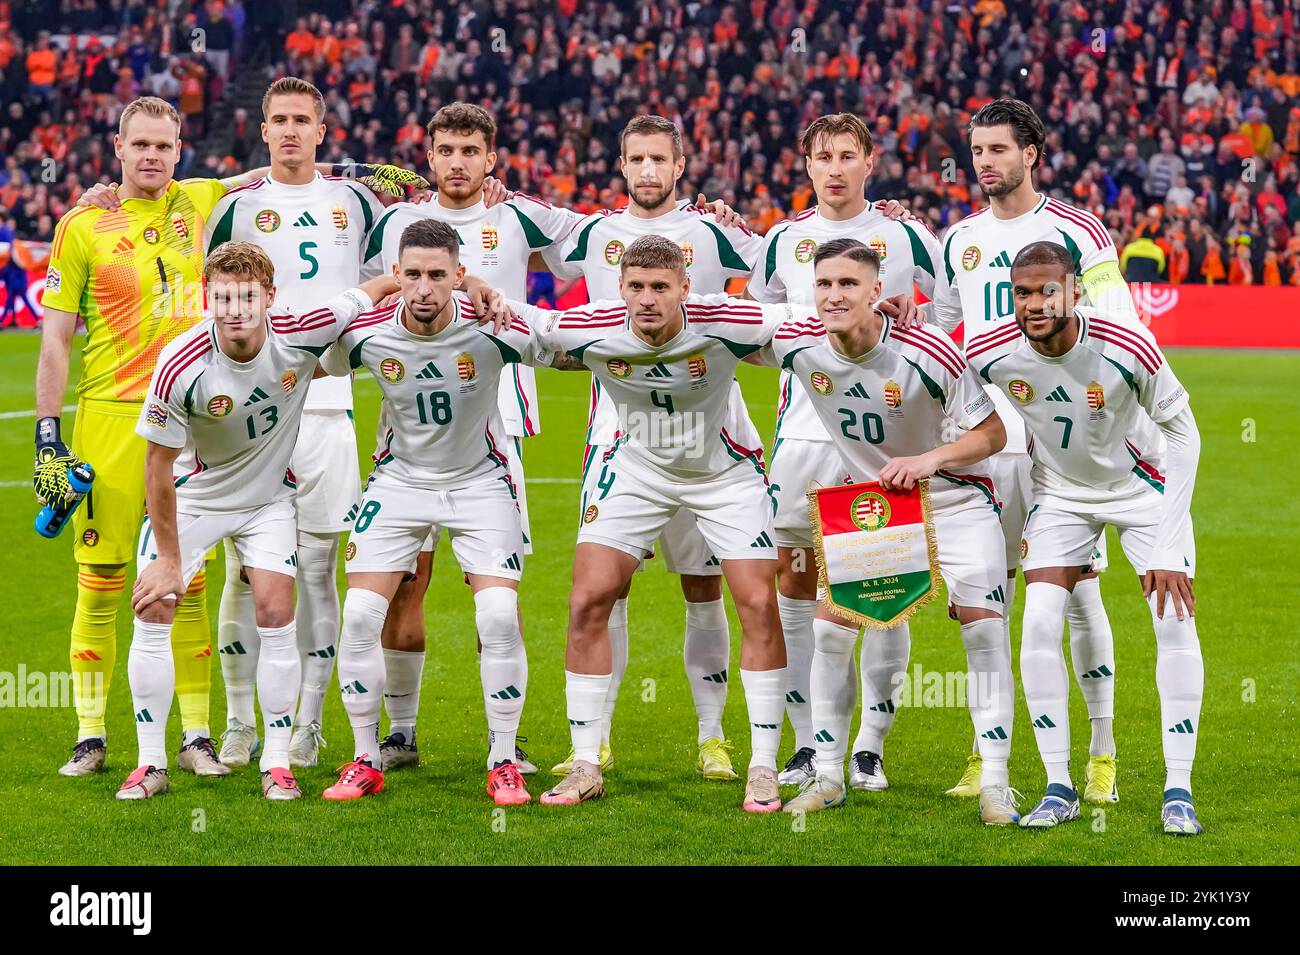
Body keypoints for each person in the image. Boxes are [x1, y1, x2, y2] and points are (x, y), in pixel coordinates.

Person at [518, 235, 790, 812]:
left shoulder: (726, 319)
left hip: (723, 472)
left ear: (685, 289)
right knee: (588, 599)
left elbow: (811, 318)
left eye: (660, 287)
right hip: (638, 467)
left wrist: (884, 307)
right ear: (620, 288)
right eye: (636, 287)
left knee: (758, 604)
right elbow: (525, 325)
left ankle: (763, 765)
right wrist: (473, 293)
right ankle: (586, 760)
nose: (647, 299)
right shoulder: (593, 327)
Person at [119, 242, 398, 799]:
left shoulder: (301, 331)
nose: (234, 308)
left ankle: (276, 761)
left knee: (275, 610)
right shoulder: (181, 363)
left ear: (269, 297)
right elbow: (155, 464)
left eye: (247, 296)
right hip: (194, 495)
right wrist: (171, 561)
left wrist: (399, 280)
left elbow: (360, 296)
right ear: (208, 297)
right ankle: (151, 763)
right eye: (222, 296)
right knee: (153, 605)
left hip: (268, 500)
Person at [758, 239, 1020, 824]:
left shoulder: (928, 352)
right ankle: (829, 774)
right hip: (879, 506)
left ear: (877, 292)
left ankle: (996, 783)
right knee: (831, 631)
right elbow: (713, 321)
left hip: (956, 499)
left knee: (982, 629)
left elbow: (994, 434)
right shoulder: (798, 344)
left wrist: (932, 460)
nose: (834, 296)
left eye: (849, 284)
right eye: (825, 284)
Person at [359, 102, 583, 773]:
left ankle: (502, 743)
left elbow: (608, 240)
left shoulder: (520, 213)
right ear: (428, 155)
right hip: (411, 416)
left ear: (491, 157)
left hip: (496, 417)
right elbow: (364, 291)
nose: (456, 161)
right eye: (445, 149)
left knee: (495, 588)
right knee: (407, 577)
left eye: (469, 150)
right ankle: (399, 733)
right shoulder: (396, 221)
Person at [320, 219, 576, 805]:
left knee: (498, 618)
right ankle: (365, 757)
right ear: (396, 277)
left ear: (460, 277)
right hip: (399, 481)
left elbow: (571, 346)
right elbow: (300, 359)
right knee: (359, 615)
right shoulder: (367, 334)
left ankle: (503, 759)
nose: (425, 288)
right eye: (412, 275)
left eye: (438, 275)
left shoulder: (494, 326)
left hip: (480, 481)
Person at [544, 114, 765, 781]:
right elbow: (510, 234)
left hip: (705, 430)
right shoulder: (590, 233)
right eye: (635, 159)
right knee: (606, 589)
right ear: (620, 164)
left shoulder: (713, 231)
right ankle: (596, 742)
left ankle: (712, 736)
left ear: (680, 165)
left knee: (705, 586)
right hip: (619, 434)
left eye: (658, 160)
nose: (646, 171)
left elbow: (787, 260)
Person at [930, 99, 1132, 803]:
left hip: (1061, 437)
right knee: (984, 598)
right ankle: (989, 755)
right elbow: (945, 334)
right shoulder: (959, 239)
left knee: (1075, 594)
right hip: (986, 436)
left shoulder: (1079, 229)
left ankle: (1101, 751)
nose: (985, 162)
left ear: (1032, 153)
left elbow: (1117, 322)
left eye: (998, 149)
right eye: (977, 150)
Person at [970, 241, 1204, 835]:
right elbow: (937, 370)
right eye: (1023, 292)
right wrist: (903, 313)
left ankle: (1178, 789)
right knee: (1039, 621)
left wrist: (1173, 545)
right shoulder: (992, 354)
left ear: (1075, 290)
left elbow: (1185, 437)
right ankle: (1059, 785)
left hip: (1140, 486)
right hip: (1064, 495)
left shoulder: (1126, 343)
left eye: (1049, 289)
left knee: (1173, 622)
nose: (1035, 303)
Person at [36, 97, 239, 779]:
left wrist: (374, 171)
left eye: (164, 144)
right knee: (100, 581)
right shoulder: (82, 224)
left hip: (189, 422)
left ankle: (197, 735)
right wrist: (47, 435)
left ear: (181, 149)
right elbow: (56, 341)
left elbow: (287, 170)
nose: (152, 155)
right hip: (110, 421)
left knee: (189, 581)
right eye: (140, 143)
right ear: (117, 146)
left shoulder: (205, 200)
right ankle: (91, 734)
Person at [747, 112, 939, 790]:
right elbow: (762, 325)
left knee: (880, 592)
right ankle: (807, 743)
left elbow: (941, 326)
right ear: (806, 164)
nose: (833, 167)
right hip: (801, 436)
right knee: (796, 584)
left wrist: (911, 319)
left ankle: (870, 746)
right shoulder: (782, 241)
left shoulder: (906, 236)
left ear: (869, 160)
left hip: (880, 444)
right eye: (821, 155)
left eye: (846, 155)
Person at [202, 76, 386, 771]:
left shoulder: (355, 200)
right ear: (262, 129)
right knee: (246, 574)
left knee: (314, 571)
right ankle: (241, 723)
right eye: (276, 119)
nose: (288, 130)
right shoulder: (236, 205)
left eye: (300, 119)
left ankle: (308, 720)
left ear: (322, 128)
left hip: (328, 404)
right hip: (249, 412)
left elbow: (421, 234)